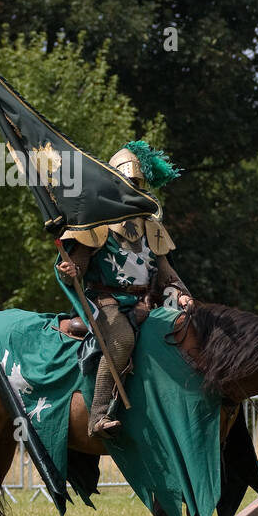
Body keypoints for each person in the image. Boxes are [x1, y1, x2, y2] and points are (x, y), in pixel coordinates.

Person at [57, 144, 192, 440]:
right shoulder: (96, 221)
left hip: (146, 301)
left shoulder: (152, 226)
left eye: (138, 184)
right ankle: (98, 414)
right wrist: (71, 272)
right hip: (106, 300)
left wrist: (181, 293)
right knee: (121, 340)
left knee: (184, 332)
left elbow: (166, 270)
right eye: (128, 183)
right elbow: (77, 267)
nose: (133, 188)